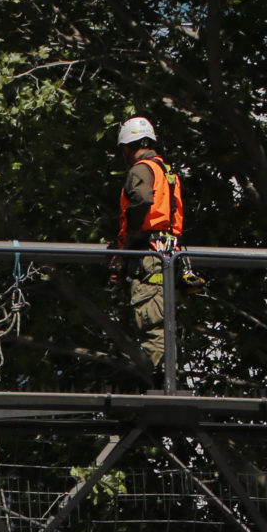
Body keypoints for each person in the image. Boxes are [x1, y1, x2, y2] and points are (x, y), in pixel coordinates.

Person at [110, 115, 183, 377]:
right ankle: (168, 380)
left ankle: (159, 385)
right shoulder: (164, 169)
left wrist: (129, 235)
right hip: (168, 252)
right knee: (165, 321)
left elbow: (141, 200)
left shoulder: (140, 169)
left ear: (128, 146)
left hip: (150, 254)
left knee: (151, 320)